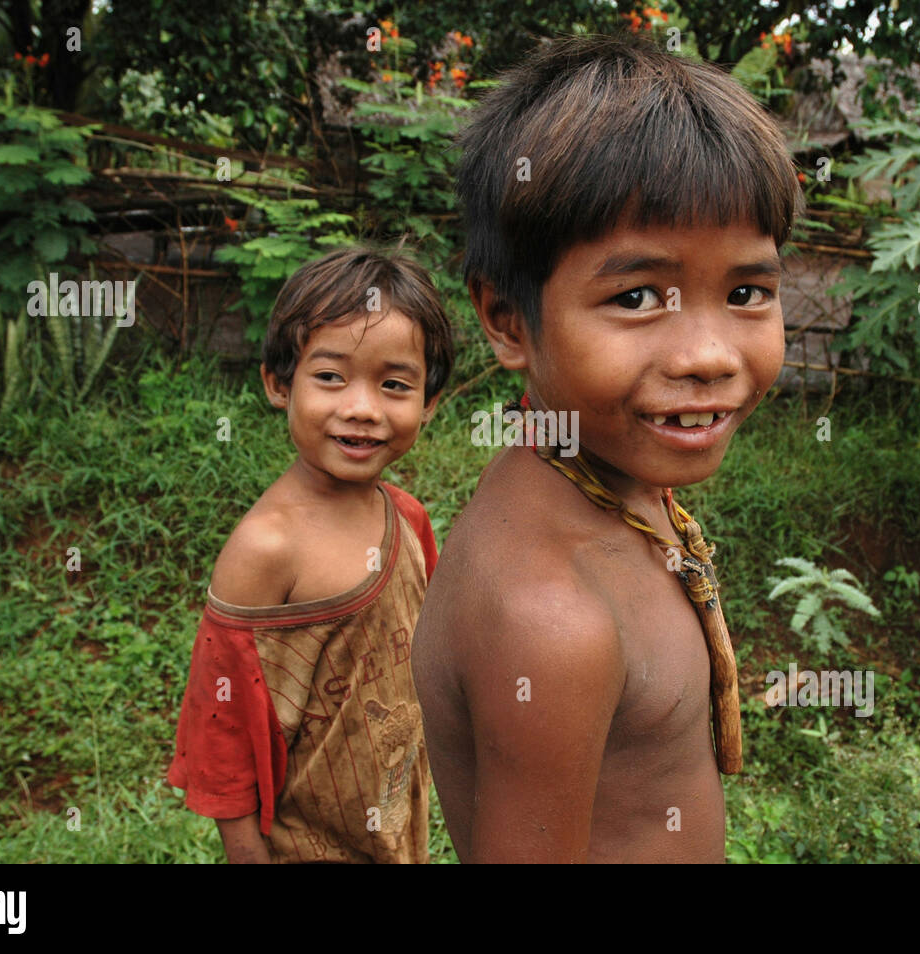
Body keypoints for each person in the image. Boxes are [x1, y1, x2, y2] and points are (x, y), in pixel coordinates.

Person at [412, 33, 803, 863]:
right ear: (507, 321)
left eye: (745, 292)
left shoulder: (602, 480)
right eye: (635, 296)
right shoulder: (550, 621)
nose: (708, 354)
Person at [168, 244, 454, 863]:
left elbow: (430, 661)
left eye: (395, 384)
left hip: (394, 824)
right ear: (278, 383)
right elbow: (224, 738)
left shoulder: (407, 520)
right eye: (330, 376)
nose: (361, 408)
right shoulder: (265, 550)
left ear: (429, 402)